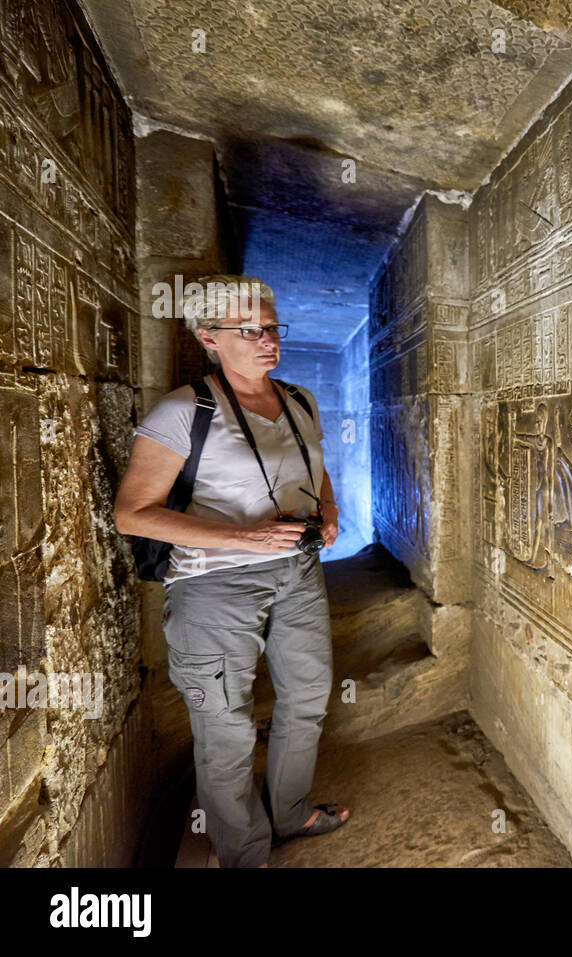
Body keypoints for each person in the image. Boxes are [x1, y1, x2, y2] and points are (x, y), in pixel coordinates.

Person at [114, 275, 349, 868]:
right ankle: (245, 854)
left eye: (271, 328)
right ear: (208, 337)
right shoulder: (182, 410)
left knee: (307, 697)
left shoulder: (298, 400)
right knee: (226, 728)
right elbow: (132, 515)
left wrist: (329, 508)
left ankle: (290, 813)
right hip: (213, 585)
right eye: (249, 330)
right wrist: (243, 536)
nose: (267, 340)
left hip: (296, 572)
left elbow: (314, 466)